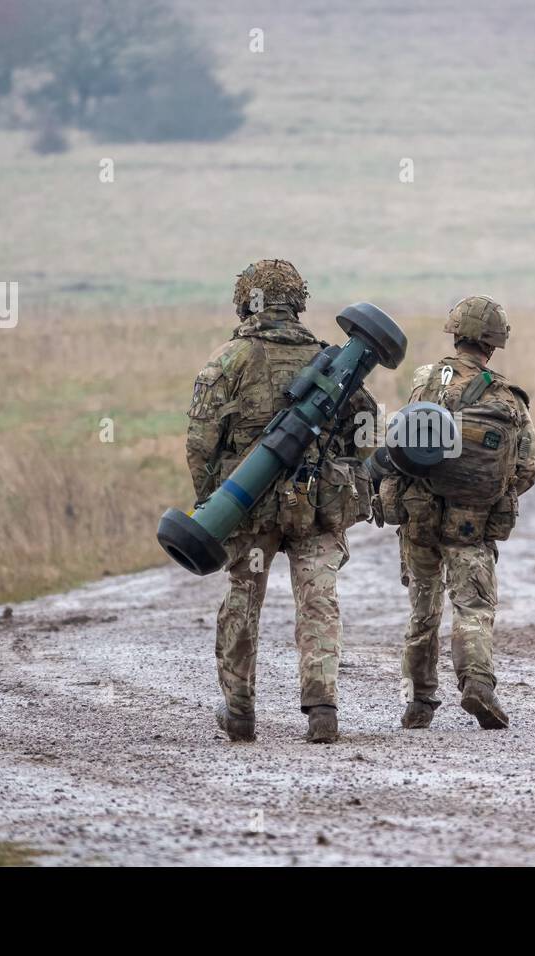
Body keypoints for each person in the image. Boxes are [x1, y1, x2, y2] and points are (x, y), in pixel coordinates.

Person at [185, 259, 376, 744]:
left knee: (243, 598)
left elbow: (200, 443)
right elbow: (366, 434)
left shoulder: (228, 360)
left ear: (245, 300)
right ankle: (322, 709)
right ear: (298, 303)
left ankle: (240, 709)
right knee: (318, 600)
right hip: (316, 507)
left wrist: (214, 502)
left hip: (248, 508)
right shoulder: (332, 361)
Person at [380, 295, 535, 730]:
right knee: (472, 605)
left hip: (418, 514)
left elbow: (400, 440)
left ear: (455, 332)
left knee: (423, 610)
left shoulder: (424, 380)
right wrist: (489, 493)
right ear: (494, 343)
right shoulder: (508, 398)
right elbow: (526, 468)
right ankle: (477, 685)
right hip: (470, 521)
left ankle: (418, 704)